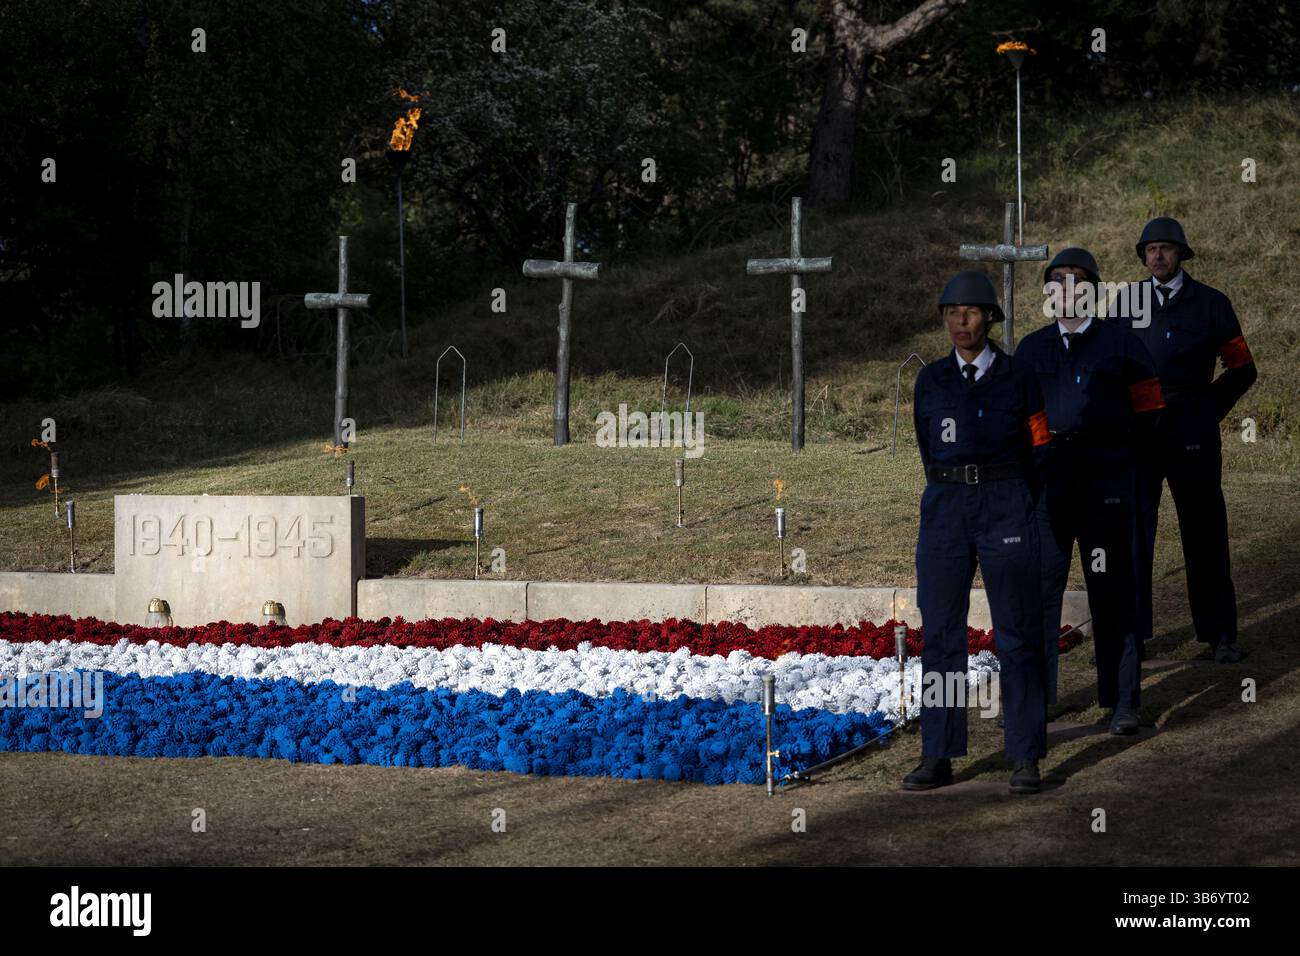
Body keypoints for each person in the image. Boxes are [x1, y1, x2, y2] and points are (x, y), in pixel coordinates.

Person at [904, 270, 1052, 794]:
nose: (958, 321)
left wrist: (1015, 502)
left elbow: (1041, 449)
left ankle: (1026, 754)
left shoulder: (1019, 377)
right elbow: (927, 448)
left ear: (989, 317)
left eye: (968, 312)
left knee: (1016, 632)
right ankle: (938, 753)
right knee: (942, 635)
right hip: (945, 508)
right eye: (949, 312)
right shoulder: (931, 381)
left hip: (1006, 505)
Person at [1015, 248, 1164, 735]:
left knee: (1113, 594)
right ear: (1048, 293)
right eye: (1056, 281)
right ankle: (1036, 700)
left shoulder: (1123, 345)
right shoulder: (1031, 349)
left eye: (1077, 281)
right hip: (1050, 488)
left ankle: (1122, 701)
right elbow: (1016, 419)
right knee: (1040, 596)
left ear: (1093, 291)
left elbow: (1150, 411)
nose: (1067, 289)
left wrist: (1123, 463)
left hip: (1105, 484)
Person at [1110, 218, 1257, 664]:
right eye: (1150, 249)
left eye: (1166, 249)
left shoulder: (1211, 304)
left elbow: (1242, 367)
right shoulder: (1124, 303)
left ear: (1182, 255)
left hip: (1192, 430)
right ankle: (1128, 637)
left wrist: (1207, 409)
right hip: (1139, 434)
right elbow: (1108, 367)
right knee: (1132, 533)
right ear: (1143, 255)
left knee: (1205, 529)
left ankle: (1220, 634)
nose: (1158, 256)